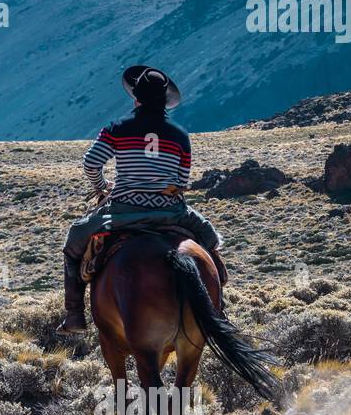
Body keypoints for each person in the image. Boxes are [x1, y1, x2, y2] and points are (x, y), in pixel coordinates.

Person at [57, 65, 227, 335]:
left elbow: (91, 163)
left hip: (123, 209)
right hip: (171, 212)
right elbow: (181, 182)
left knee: (74, 240)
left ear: (136, 99)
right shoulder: (180, 136)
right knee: (210, 239)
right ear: (164, 101)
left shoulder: (117, 129)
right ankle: (220, 308)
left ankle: (75, 314)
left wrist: (103, 188)